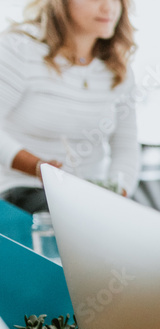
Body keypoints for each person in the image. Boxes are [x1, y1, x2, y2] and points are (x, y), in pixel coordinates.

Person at [0, 0, 138, 213]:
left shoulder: (118, 68)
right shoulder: (20, 48)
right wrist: (38, 168)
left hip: (89, 196)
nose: (109, 7)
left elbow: (126, 146)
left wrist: (118, 194)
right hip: (22, 191)